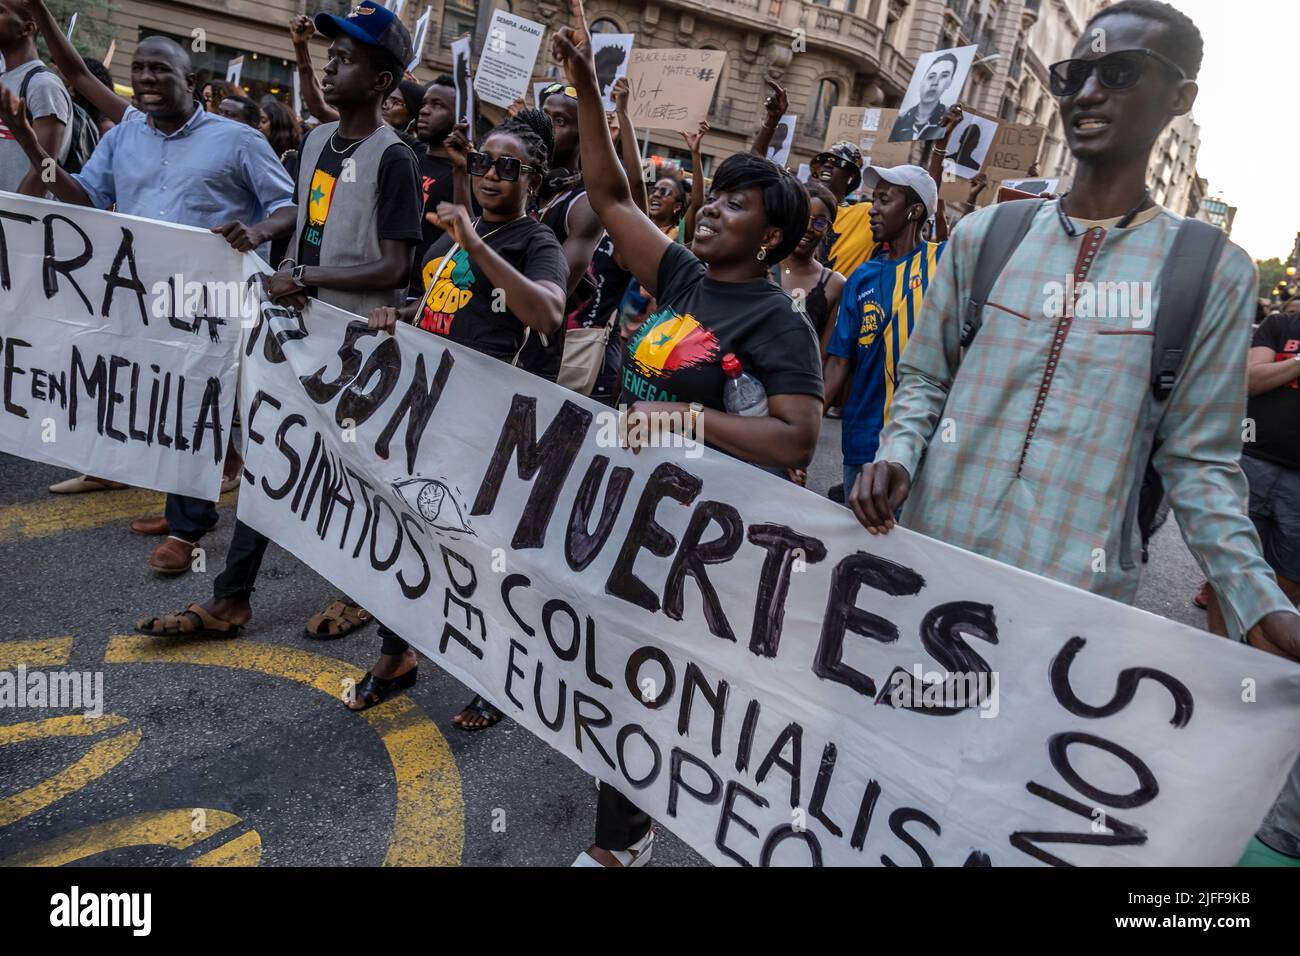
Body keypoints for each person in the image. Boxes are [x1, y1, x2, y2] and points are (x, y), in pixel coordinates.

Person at [850, 0, 1300, 666]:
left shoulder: (1209, 272)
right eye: (1074, 75)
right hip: (925, 568)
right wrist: (897, 455)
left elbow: (1200, 463)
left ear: (1180, 95)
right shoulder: (986, 236)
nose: (1088, 93)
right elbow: (924, 379)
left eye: (1118, 73)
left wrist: (1257, 600)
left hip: (1070, 606)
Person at [552, 1, 824, 866]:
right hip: (632, 501)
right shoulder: (680, 273)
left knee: (648, 677)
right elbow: (608, 193)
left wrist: (683, 417)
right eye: (714, 201)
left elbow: (795, 442)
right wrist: (591, 90)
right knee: (616, 664)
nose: (709, 214)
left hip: (703, 533)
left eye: (735, 208)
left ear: (772, 236)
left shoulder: (782, 325)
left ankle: (621, 842)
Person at [135, 1, 423, 654]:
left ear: (381, 81)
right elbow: (305, 221)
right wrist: (267, 239)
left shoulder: (394, 158)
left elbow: (396, 263)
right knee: (272, 462)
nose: (331, 66)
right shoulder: (320, 142)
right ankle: (231, 599)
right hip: (300, 335)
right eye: (331, 55)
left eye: (347, 59)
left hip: (356, 348)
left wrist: (306, 280)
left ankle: (360, 593)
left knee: (354, 478)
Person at [0, 32, 296, 571]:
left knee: (198, 401)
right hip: (139, 299)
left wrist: (255, 231)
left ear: (193, 84)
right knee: (154, 398)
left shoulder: (238, 141)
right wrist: (29, 143)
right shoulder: (125, 136)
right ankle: (179, 487)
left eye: (160, 70)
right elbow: (86, 198)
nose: (146, 79)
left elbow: (287, 206)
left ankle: (187, 531)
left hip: (210, 301)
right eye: (139, 69)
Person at [369, 108, 567, 724]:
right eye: (484, 162)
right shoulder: (460, 232)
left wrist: (475, 242)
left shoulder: (536, 243)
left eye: (509, 167)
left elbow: (547, 314)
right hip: (429, 415)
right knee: (410, 536)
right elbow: (441, 303)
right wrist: (401, 313)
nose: (491, 175)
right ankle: (396, 654)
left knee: (482, 556)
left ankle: (495, 677)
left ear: (533, 180)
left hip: (491, 430)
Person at [825, 165, 943, 499]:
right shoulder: (861, 277)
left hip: (918, 446)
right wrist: (798, 432)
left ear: (914, 211)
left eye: (884, 200)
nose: (872, 209)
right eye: (873, 199)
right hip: (862, 441)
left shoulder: (944, 262)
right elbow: (838, 363)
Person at [0, 0, 72, 195]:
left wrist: (15, 219)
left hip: (19, 220)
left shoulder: (43, 85)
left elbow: (47, 170)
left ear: (27, 28)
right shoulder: (4, 78)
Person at [776, 180, 844, 350]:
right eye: (802, 217)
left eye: (820, 222)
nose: (808, 227)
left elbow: (823, 357)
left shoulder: (835, 285)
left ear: (828, 230)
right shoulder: (757, 263)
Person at [890, 51, 958, 142]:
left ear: (949, 83)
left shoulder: (946, 122)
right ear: (922, 81)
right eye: (931, 76)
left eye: (944, 76)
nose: (935, 82)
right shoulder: (900, 119)